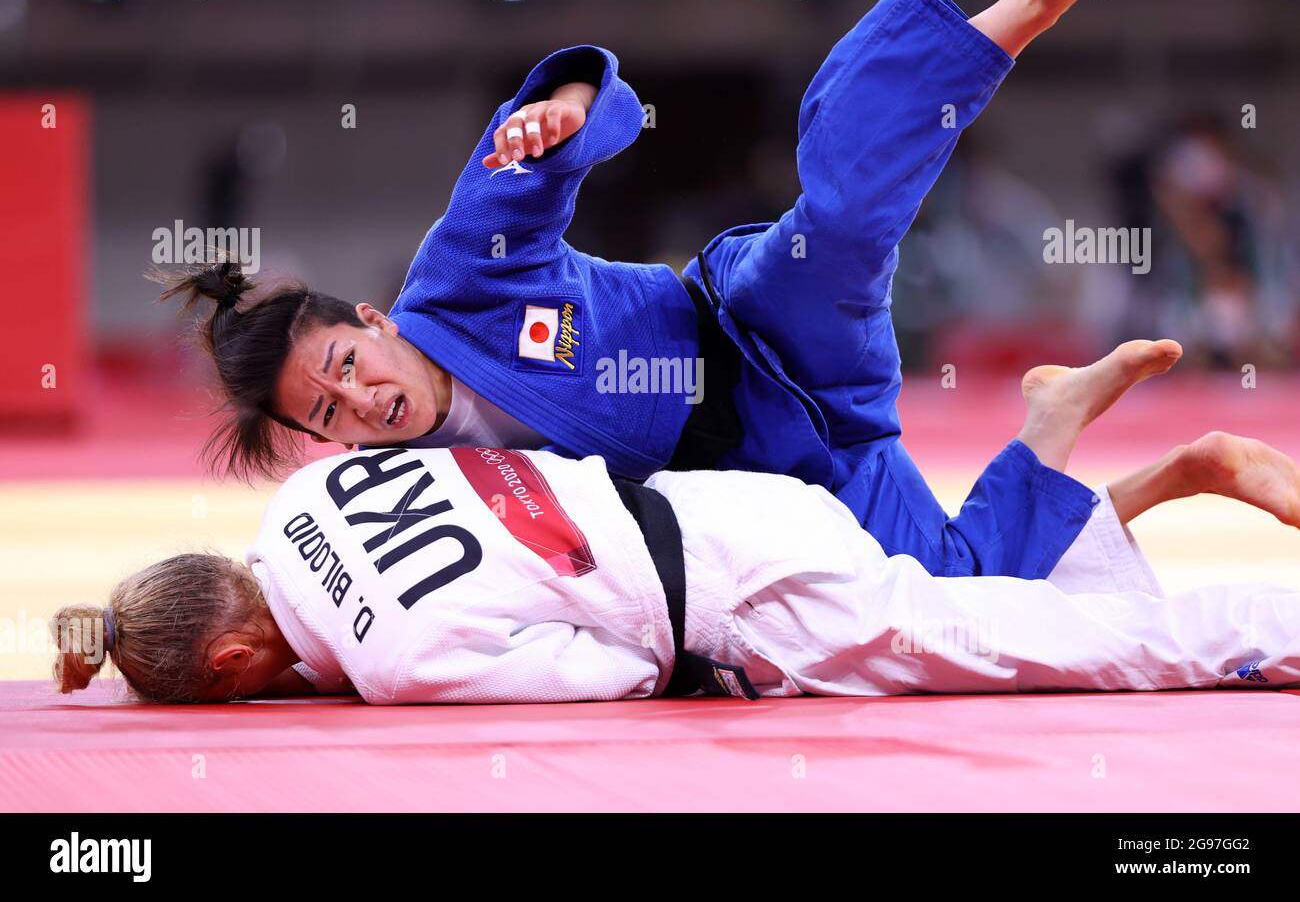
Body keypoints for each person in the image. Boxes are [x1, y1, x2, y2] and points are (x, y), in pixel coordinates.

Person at [157, 0, 1124, 580]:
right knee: (953, 600)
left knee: (843, 223)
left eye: (342, 368)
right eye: (327, 417)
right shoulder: (401, 484)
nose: (362, 404)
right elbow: (288, 590)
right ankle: (1055, 417)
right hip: (778, 474)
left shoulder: (456, 274)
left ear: (370, 320)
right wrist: (121, 640)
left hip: (748, 321)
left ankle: (1013, 11)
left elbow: (571, 108)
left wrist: (566, 108)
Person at [51, 420, 1300, 704]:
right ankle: (1105, 506)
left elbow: (613, 679)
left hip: (751, 602)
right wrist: (104, 635)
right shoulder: (310, 488)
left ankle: (1271, 624)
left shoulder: (392, 663)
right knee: (991, 620)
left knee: (1082, 655)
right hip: (717, 502)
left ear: (230, 657)